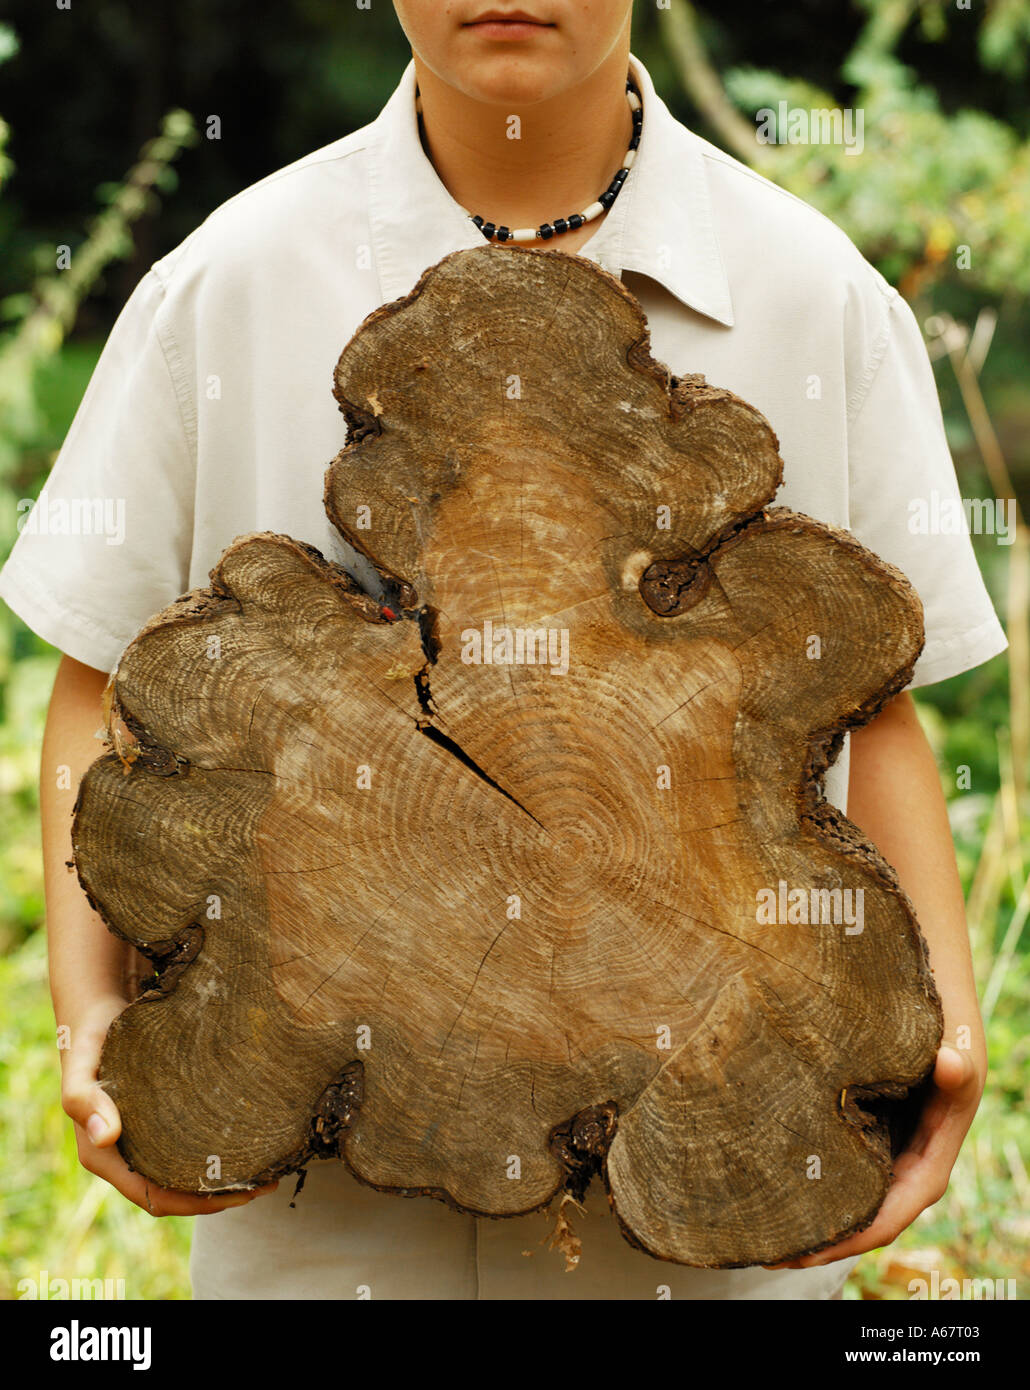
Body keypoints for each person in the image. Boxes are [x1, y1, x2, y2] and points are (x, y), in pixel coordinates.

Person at [1, 1, 1005, 1300]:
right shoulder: (227, 284)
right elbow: (97, 682)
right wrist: (88, 1019)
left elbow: (878, 714)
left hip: (717, 1228)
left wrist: (948, 1032)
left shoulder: (816, 299)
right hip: (321, 1235)